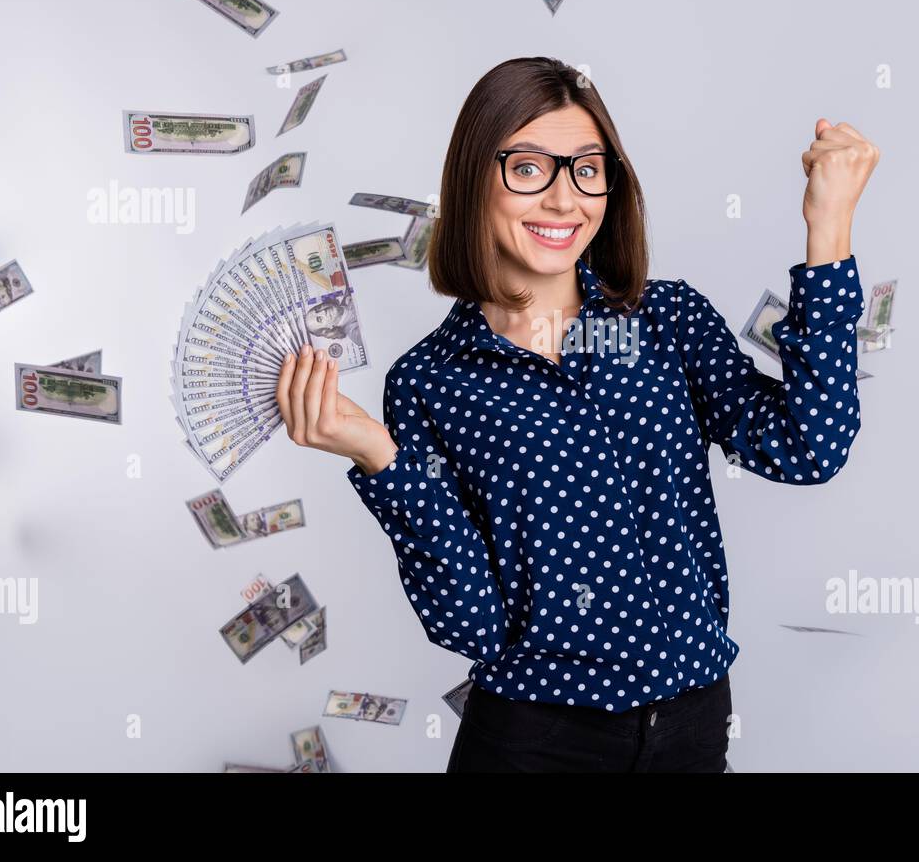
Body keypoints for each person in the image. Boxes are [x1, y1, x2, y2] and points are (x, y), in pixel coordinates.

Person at [276, 56, 878, 772]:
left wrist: (828, 226)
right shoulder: (430, 382)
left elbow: (810, 449)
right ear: (476, 181)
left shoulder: (669, 319)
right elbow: (473, 624)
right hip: (532, 741)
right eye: (529, 168)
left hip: (690, 722)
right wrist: (379, 458)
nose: (565, 201)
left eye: (587, 169)